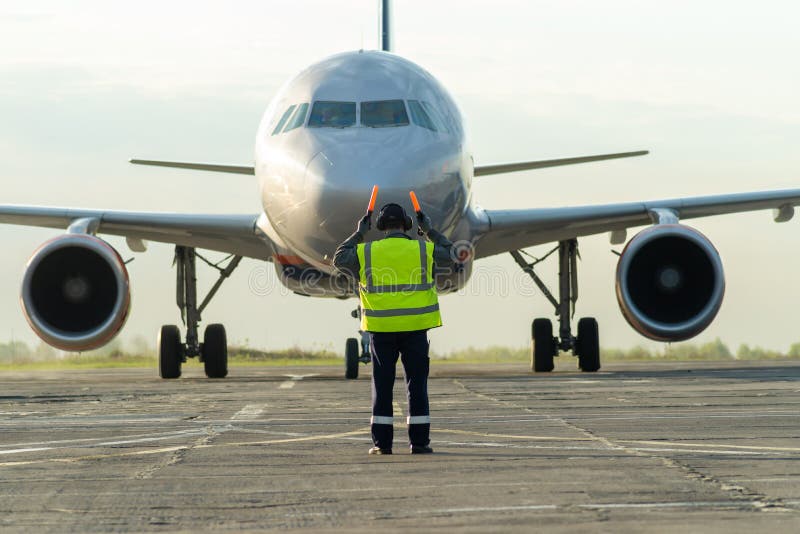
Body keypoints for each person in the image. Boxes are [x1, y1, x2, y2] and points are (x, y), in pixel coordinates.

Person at [333, 202, 454, 455]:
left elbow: (339, 258)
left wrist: (359, 233)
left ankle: (382, 445)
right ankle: (419, 444)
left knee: (383, 386)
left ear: (379, 226)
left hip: (382, 329)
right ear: (409, 225)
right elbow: (452, 253)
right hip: (416, 328)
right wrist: (429, 230)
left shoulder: (367, 252)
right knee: (417, 386)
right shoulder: (424, 249)